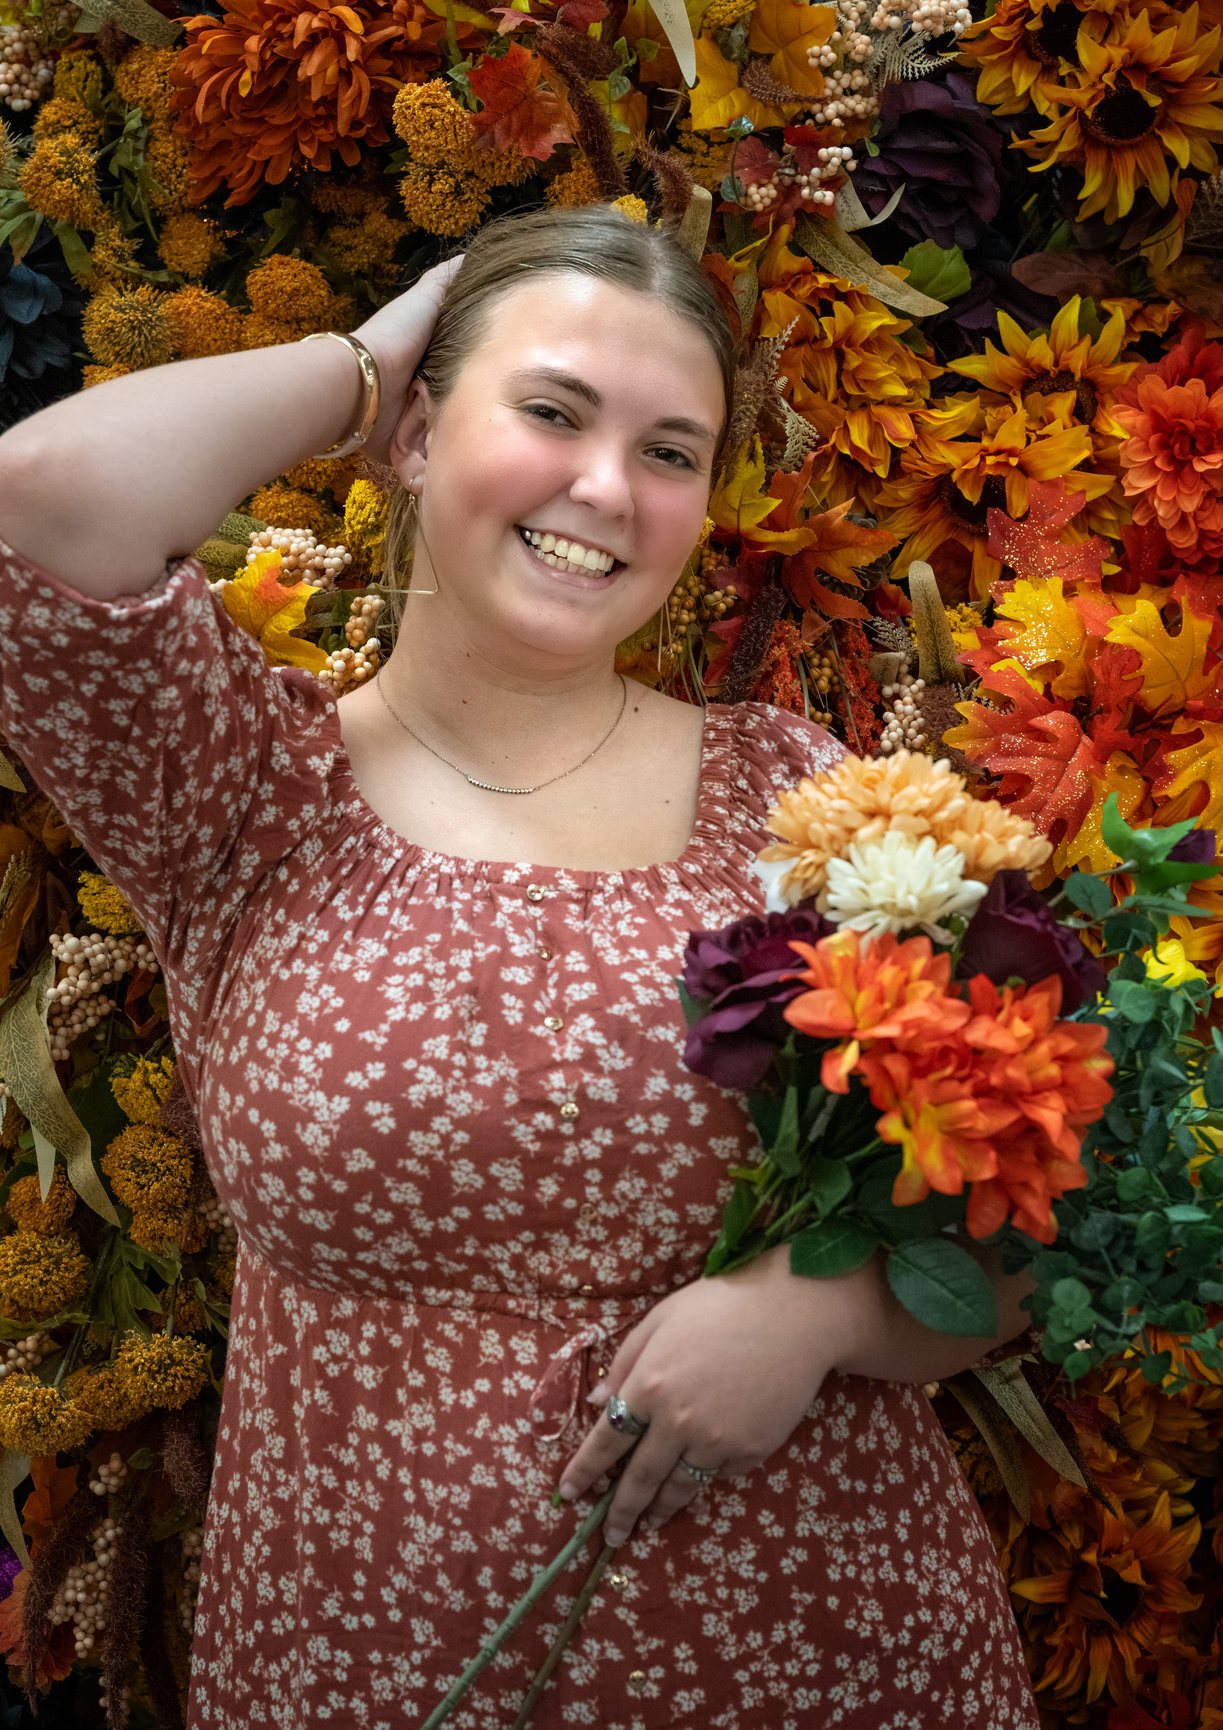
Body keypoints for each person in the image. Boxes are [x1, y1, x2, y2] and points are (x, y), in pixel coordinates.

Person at [0, 205, 1040, 1729]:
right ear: (417, 437)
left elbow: (1011, 1248)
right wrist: (358, 368)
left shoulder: (806, 803)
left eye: (670, 450)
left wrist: (819, 1315)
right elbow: (38, 505)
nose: (606, 486)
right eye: (552, 411)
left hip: (818, 1660)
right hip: (363, 1664)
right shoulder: (242, 790)